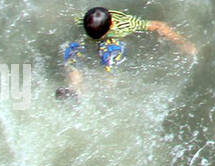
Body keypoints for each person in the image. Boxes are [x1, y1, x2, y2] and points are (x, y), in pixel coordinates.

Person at [56, 7, 196, 99]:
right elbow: (68, 18)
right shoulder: (83, 21)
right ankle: (73, 88)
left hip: (113, 40)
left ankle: (106, 87)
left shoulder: (125, 25)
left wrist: (182, 42)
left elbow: (159, 25)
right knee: (72, 52)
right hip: (98, 32)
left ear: (110, 27)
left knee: (109, 52)